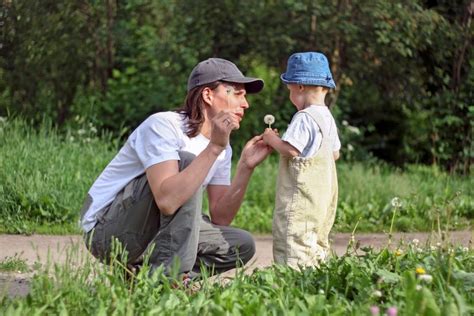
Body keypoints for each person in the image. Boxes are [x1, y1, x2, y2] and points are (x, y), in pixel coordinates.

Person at [80, 57, 272, 278]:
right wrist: (214, 148)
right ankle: (170, 281)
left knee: (240, 244)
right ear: (208, 95)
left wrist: (245, 167)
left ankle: (148, 277)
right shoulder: (163, 125)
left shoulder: (222, 146)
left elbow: (220, 217)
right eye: (237, 93)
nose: (245, 104)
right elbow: (167, 201)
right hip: (108, 233)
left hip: (155, 232)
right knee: (187, 162)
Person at [262, 52, 341, 268]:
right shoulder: (327, 118)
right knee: (316, 240)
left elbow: (291, 150)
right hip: (323, 199)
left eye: (289, 90)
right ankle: (317, 278)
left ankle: (293, 283)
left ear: (299, 87)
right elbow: (334, 154)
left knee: (292, 238)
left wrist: (272, 139)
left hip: (302, 198)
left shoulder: (304, 117)